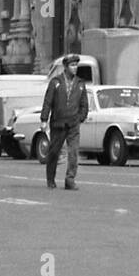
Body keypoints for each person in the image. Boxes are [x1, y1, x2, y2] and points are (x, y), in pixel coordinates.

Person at [41, 53, 89, 190]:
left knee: (73, 153)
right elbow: (48, 101)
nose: (75, 68)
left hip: (73, 124)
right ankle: (51, 179)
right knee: (54, 152)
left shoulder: (80, 84)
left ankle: (70, 179)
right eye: (72, 65)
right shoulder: (56, 82)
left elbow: (84, 104)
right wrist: (44, 119)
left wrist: (81, 117)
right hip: (58, 123)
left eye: (76, 65)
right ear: (66, 67)